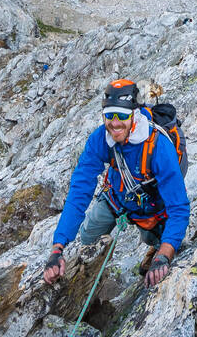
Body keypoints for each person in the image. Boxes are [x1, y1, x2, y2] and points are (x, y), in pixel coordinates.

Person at [43, 78, 189, 288]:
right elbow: (79, 191)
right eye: (109, 116)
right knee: (88, 238)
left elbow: (179, 207)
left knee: (161, 241)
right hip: (117, 197)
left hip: (152, 206)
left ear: (134, 115)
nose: (115, 123)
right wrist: (57, 248)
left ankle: (156, 246)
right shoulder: (100, 140)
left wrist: (164, 254)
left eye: (121, 115)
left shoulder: (158, 146)